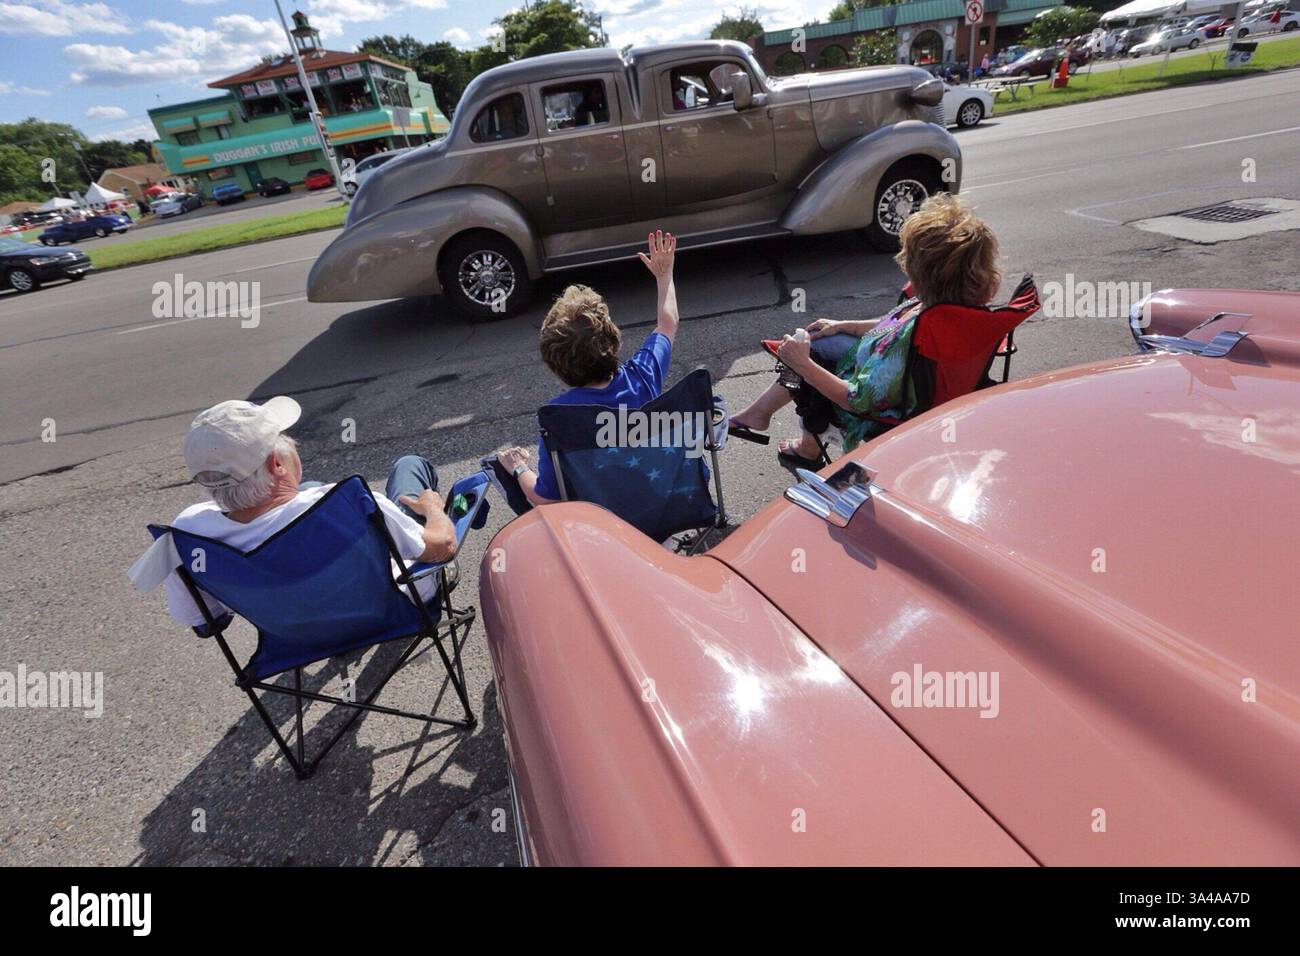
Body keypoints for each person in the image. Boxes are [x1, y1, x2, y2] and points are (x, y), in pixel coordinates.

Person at [728, 194, 1002, 466]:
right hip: (924, 382)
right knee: (820, 339)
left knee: (811, 357)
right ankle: (763, 416)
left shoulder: (901, 351)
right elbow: (901, 328)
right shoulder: (958, 307)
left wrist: (802, 364)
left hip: (886, 405)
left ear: (920, 269)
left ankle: (803, 447)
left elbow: (856, 401)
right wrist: (847, 325)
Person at [159, 397, 458, 627]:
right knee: (410, 466)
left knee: (310, 488)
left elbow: (208, 624)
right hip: (391, 610)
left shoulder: (184, 534)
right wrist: (433, 511)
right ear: (276, 464)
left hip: (297, 634)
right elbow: (443, 547)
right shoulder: (349, 502)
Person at [496, 230, 679, 505]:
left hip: (602, 535)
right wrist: (664, 276)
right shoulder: (642, 375)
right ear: (612, 340)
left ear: (554, 362)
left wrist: (519, 467)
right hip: (663, 512)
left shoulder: (559, 417)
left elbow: (546, 500)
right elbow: (668, 323)